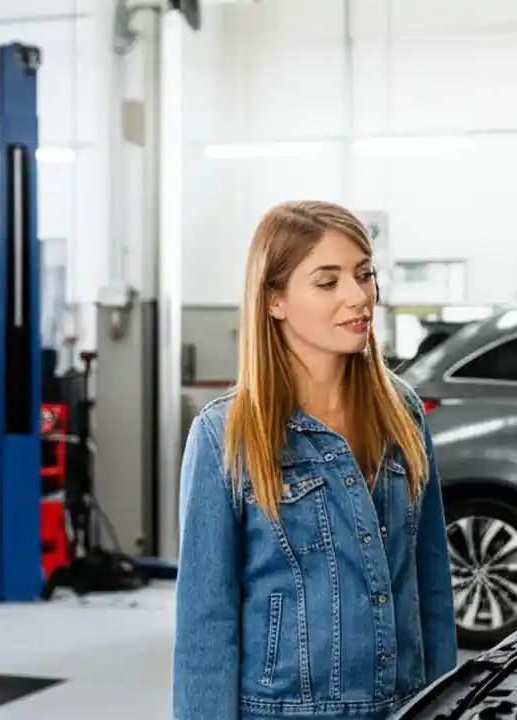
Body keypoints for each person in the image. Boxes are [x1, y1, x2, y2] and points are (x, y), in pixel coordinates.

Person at [172, 200, 457, 720]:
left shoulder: (403, 414)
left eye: (364, 275)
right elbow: (204, 628)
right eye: (328, 282)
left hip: (405, 706)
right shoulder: (225, 436)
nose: (358, 297)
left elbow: (432, 587)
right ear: (275, 299)